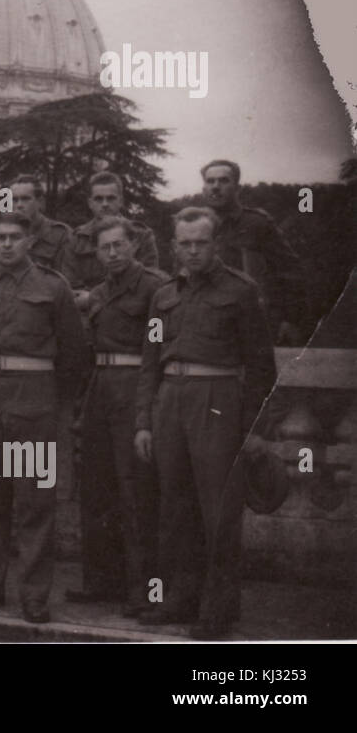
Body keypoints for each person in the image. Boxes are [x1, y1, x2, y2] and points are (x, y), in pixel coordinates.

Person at [134, 206, 279, 639]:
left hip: (217, 401)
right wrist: (144, 420)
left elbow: (262, 367)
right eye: (185, 243)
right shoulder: (163, 297)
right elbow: (149, 362)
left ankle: (217, 610)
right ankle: (180, 598)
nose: (193, 251)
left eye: (201, 243)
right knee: (174, 506)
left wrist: (255, 428)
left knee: (217, 509)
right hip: (170, 402)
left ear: (215, 244)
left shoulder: (240, 291)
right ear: (174, 246)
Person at [0, 212, 88, 622]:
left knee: (34, 501)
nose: (7, 244)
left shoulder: (52, 287)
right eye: (0, 237)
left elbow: (75, 354)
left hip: (34, 398)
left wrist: (51, 401)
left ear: (30, 242)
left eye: (15, 237)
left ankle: (33, 595)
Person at [70, 217, 163, 617]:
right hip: (100, 386)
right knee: (95, 487)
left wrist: (146, 407)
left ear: (134, 246)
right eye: (104, 247)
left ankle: (144, 589)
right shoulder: (99, 293)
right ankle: (101, 581)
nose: (111, 253)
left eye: (119, 245)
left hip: (134, 385)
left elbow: (158, 352)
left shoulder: (156, 288)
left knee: (135, 491)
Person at [199, 159, 306, 344]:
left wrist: (291, 319)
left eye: (224, 181)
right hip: (202, 320)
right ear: (203, 188)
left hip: (250, 321)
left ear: (237, 188)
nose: (215, 187)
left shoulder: (257, 223)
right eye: (210, 181)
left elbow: (290, 271)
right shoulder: (192, 224)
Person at [65, 171, 160, 307]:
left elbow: (151, 286)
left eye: (111, 198)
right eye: (98, 199)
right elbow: (72, 291)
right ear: (90, 203)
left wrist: (93, 297)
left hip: (132, 314)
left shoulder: (142, 235)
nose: (104, 204)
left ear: (120, 201)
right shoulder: (76, 239)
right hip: (89, 319)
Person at [6, 175, 73, 276]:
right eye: (14, 200)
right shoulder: (4, 235)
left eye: (25, 199)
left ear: (40, 202)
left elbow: (66, 280)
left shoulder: (60, 235)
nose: (19, 205)